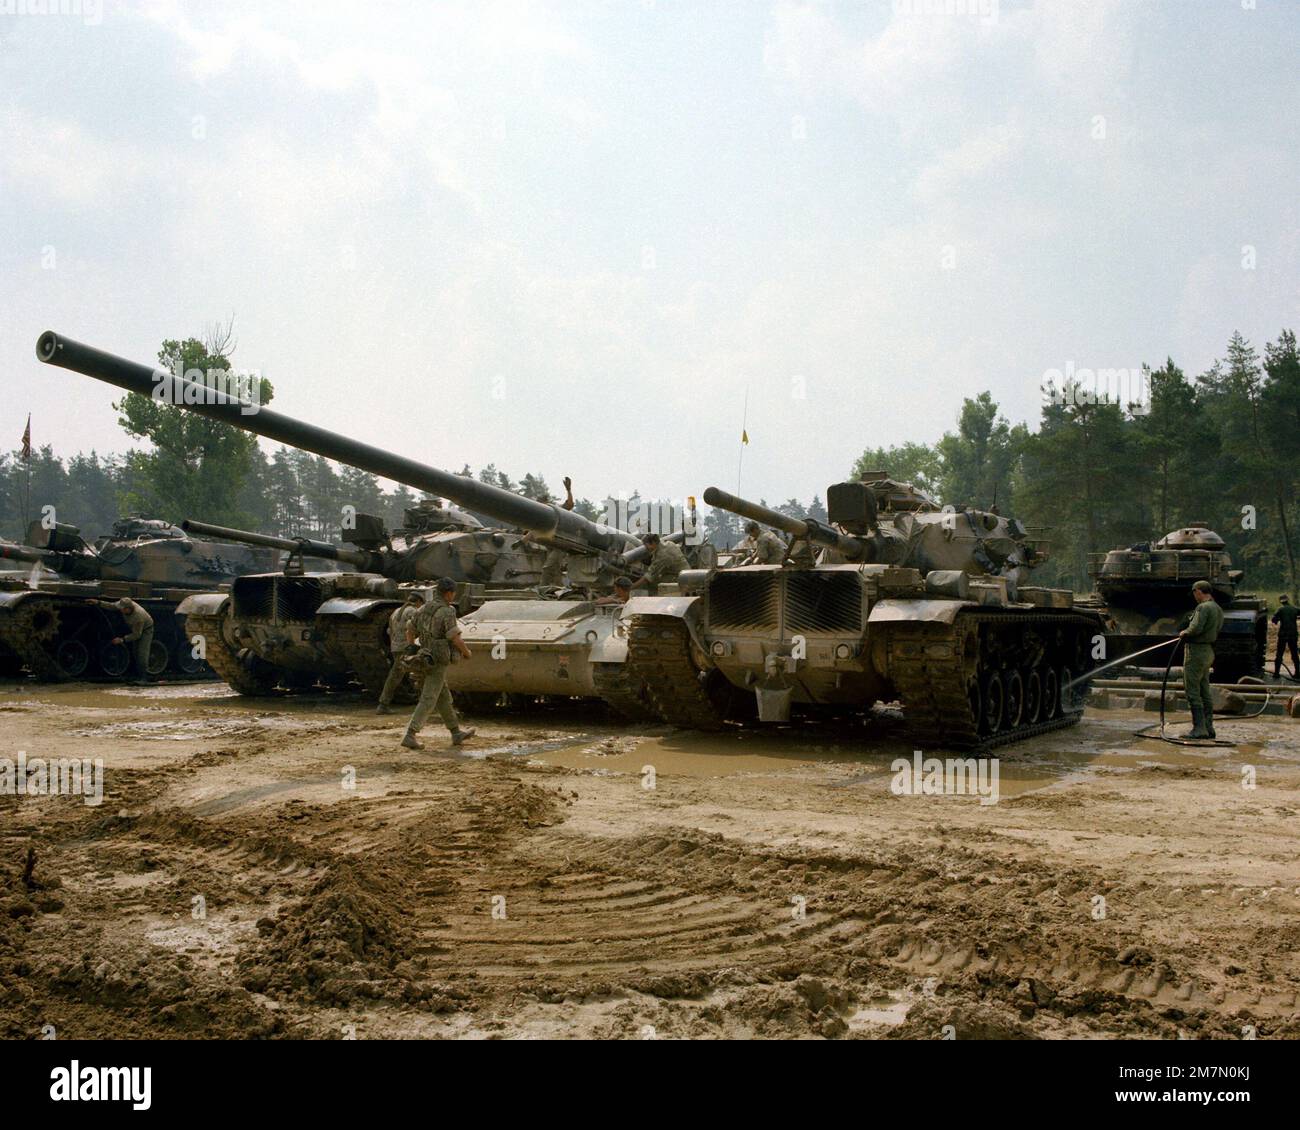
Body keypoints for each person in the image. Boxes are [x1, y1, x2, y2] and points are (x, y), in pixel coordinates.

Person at [401, 577, 475, 749]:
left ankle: (456, 732)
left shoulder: (424, 607)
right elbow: (454, 637)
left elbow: (410, 629)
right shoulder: (447, 611)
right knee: (429, 697)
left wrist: (412, 648)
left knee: (443, 697)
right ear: (449, 594)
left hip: (424, 656)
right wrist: (467, 652)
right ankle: (410, 734)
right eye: (453, 593)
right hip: (438, 659)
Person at [1178, 580, 1224, 739]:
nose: (1194, 596)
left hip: (1196, 651)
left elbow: (1196, 627)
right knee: (1204, 690)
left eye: (1194, 592)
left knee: (1192, 690)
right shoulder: (1217, 607)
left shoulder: (1203, 607)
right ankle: (1209, 727)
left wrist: (1185, 632)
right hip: (1208, 650)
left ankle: (1199, 728)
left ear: (1198, 591)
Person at [376, 591, 425, 715]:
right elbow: (417, 629)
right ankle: (384, 704)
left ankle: (384, 704)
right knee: (417, 674)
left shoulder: (396, 611)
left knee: (397, 675)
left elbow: (389, 631)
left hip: (396, 647)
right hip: (408, 648)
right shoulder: (413, 612)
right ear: (418, 602)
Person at [539, 475, 576, 588]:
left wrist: (568, 490)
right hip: (549, 547)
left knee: (548, 567)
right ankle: (558, 589)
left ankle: (542, 589)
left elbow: (569, 504)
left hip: (559, 545)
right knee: (555, 572)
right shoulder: (539, 518)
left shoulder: (555, 513)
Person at [107, 597, 154, 684]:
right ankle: (136, 674)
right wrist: (98, 602)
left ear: (129, 608)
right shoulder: (123, 604)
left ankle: (144, 678)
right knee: (135, 652)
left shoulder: (139, 615)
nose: (121, 611)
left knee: (142, 654)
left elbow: (137, 635)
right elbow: (111, 606)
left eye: (123, 609)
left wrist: (122, 639)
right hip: (134, 628)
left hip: (145, 630)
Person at [1272, 594, 1299, 678]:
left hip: (1283, 635)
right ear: (1288, 600)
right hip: (1293, 634)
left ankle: (1276, 673)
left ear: (1281, 602)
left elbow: (1274, 619)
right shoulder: (1295, 609)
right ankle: (1298, 673)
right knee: (1294, 654)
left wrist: (1279, 619)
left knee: (1279, 654)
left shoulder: (1280, 610)